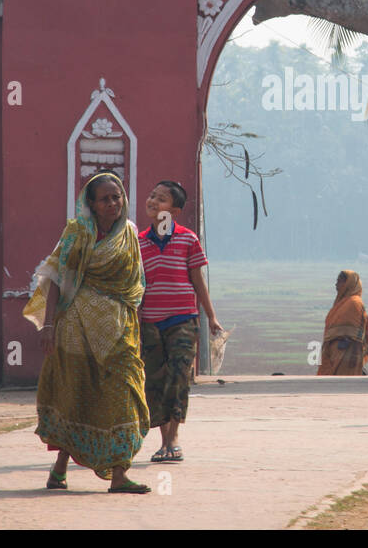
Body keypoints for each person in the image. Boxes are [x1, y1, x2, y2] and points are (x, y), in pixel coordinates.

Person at [23, 172, 151, 493]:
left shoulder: (130, 233)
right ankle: (60, 468)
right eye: (105, 198)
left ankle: (120, 475)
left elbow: (135, 284)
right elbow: (53, 275)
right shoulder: (77, 232)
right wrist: (49, 324)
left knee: (126, 393)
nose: (113, 203)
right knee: (77, 395)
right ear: (90, 204)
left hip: (120, 330)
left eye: (117, 196)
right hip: (76, 328)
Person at [138, 180, 224, 463]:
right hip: (150, 322)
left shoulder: (188, 239)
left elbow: (198, 280)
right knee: (155, 380)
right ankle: (163, 442)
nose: (153, 201)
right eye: (152, 196)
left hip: (183, 319)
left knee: (178, 377)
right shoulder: (138, 242)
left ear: (174, 210)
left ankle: (174, 438)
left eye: (161, 199)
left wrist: (211, 316)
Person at [316, 270, 368, 375]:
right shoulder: (341, 303)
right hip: (334, 351)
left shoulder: (354, 303)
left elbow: (359, 328)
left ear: (348, 284)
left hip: (348, 352)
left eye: (339, 281)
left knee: (345, 384)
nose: (336, 284)